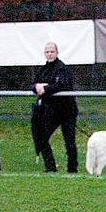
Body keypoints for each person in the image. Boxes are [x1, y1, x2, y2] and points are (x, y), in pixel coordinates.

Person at [32, 42, 78, 173]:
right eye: (47, 52)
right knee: (41, 137)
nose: (50, 54)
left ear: (57, 52)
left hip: (66, 111)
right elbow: (34, 84)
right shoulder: (43, 70)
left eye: (52, 51)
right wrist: (37, 88)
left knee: (69, 142)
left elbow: (62, 85)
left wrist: (45, 88)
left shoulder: (62, 69)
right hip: (51, 112)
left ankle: (72, 168)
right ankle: (50, 166)